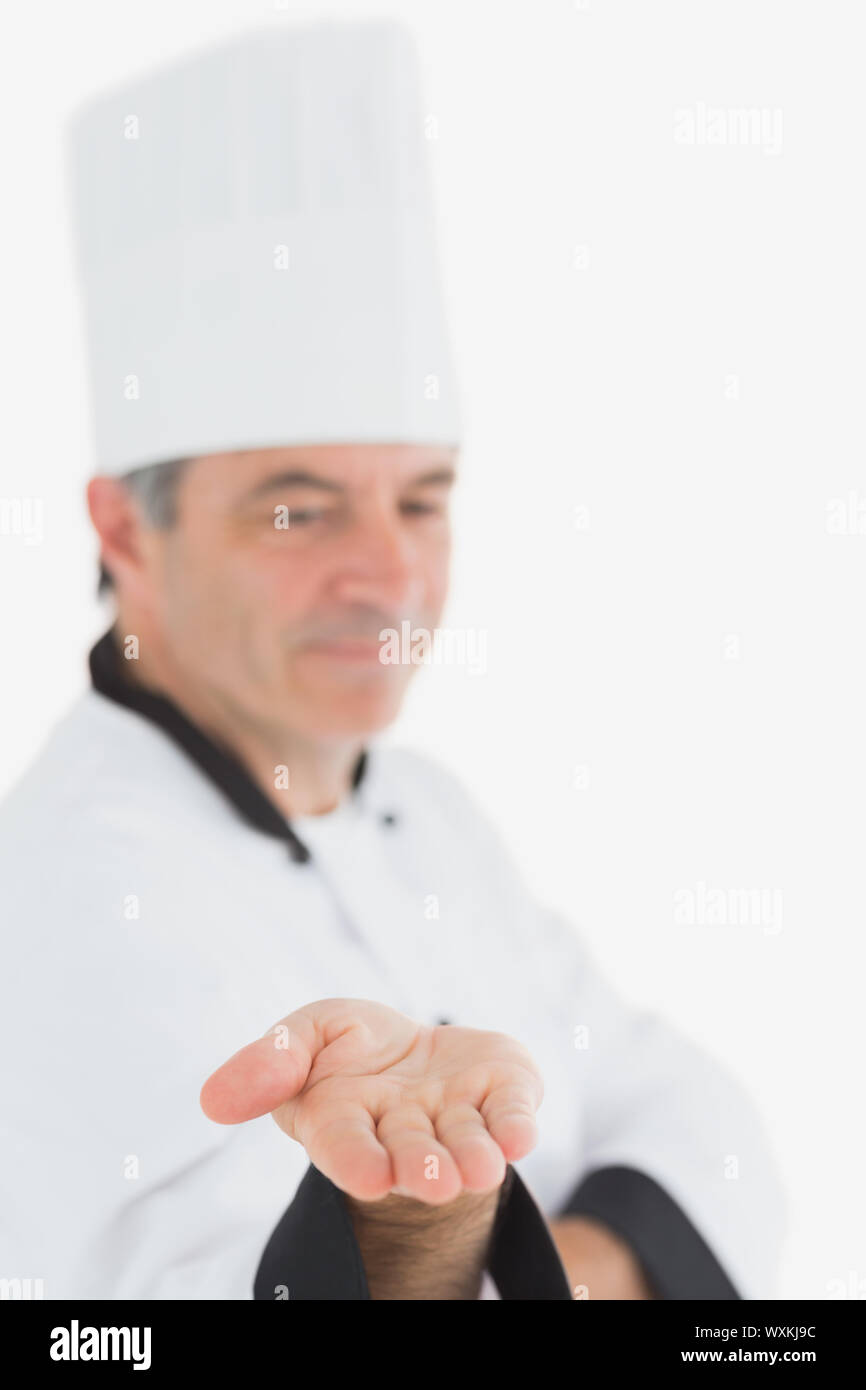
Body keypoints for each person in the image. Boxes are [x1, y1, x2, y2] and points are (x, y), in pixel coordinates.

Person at [0, 20, 787, 1300]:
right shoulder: (68, 903)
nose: (388, 574)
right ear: (123, 530)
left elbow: (717, 1129)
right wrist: (446, 1237)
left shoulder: (421, 808)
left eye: (421, 499)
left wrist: (539, 1274)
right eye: (296, 509)